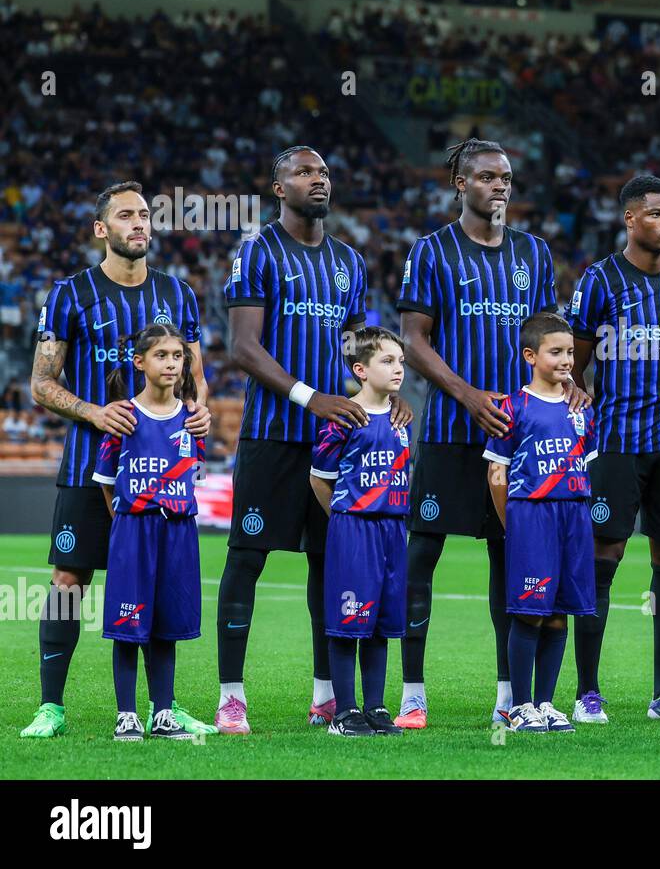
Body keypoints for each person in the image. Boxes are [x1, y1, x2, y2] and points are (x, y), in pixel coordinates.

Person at [215, 146, 409, 734]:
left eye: (324, 171)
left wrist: (381, 391)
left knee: (330, 565)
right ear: (279, 188)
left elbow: (360, 350)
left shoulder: (349, 261)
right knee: (247, 559)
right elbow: (243, 348)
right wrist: (310, 398)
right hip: (275, 435)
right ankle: (231, 695)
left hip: (339, 441)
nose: (317, 179)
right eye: (303, 172)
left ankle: (328, 695)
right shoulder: (256, 249)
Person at [22, 181, 210, 740]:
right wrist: (95, 413)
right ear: (102, 229)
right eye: (125, 215)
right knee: (67, 579)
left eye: (145, 215)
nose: (139, 224)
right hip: (90, 467)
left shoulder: (179, 295)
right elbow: (40, 383)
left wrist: (198, 414)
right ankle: (51, 707)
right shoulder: (70, 294)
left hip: (162, 475)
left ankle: (162, 709)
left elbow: (197, 379)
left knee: (157, 583)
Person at [394, 138, 570, 728]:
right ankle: (413, 692)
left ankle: (509, 694)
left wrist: (565, 384)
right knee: (423, 555)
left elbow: (547, 337)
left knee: (511, 560)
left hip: (518, 437)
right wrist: (467, 395)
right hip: (450, 430)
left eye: (507, 177)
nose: (500, 186)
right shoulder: (431, 252)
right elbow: (413, 340)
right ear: (461, 184)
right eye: (488, 177)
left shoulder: (535, 254)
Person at [568, 174, 660, 723]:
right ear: (630, 219)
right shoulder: (600, 281)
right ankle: (587, 692)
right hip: (616, 442)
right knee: (603, 559)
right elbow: (575, 364)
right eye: (656, 214)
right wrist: (580, 394)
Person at [92, 324, 212, 741]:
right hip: (134, 530)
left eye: (178, 356)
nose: (172, 363)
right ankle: (127, 714)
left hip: (178, 531)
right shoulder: (122, 416)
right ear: (140, 362)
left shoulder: (193, 419)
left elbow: (195, 473)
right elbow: (106, 481)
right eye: (161, 355)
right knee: (128, 625)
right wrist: (128, 522)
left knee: (166, 625)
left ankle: (163, 712)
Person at [483, 313, 597, 734]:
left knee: (558, 614)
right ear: (531, 355)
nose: (566, 359)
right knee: (529, 613)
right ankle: (520, 706)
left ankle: (546, 703)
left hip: (574, 516)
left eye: (569, 351)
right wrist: (514, 525)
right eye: (556, 352)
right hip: (532, 515)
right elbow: (497, 475)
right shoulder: (513, 407)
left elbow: (587, 466)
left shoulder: (581, 408)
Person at [309, 327, 411, 737]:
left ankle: (376, 707)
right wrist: (344, 517)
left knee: (382, 624)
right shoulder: (344, 418)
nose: (397, 368)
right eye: (387, 361)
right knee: (348, 622)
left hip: (393, 528)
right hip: (354, 529)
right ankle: (345, 711)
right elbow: (319, 479)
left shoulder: (402, 417)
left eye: (401, 361)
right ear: (361, 370)